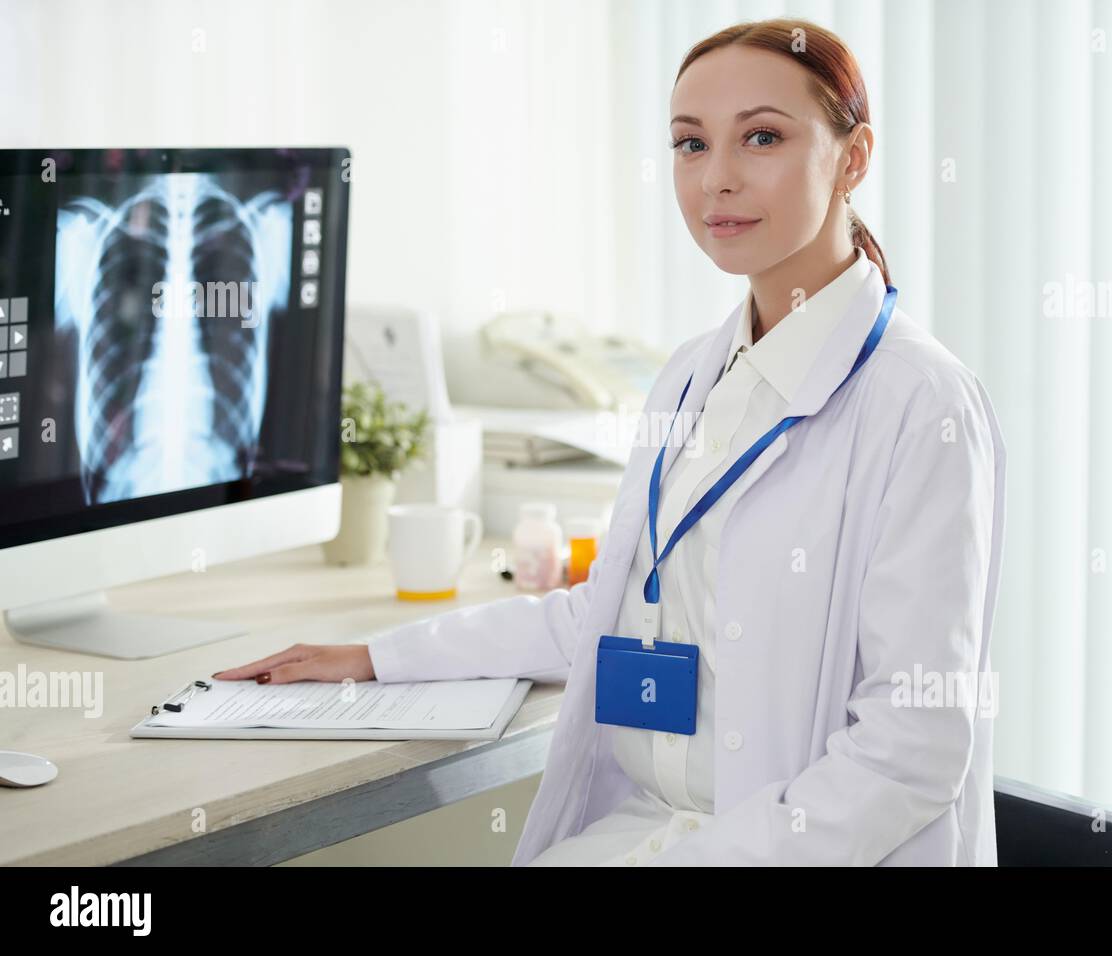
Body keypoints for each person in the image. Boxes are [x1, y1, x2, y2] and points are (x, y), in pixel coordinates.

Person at [215, 16, 1006, 866]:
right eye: (690, 145)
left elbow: (911, 752)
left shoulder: (921, 405)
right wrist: (376, 658)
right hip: (648, 833)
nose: (718, 180)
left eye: (762, 138)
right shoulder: (695, 374)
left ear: (854, 158)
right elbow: (607, 613)